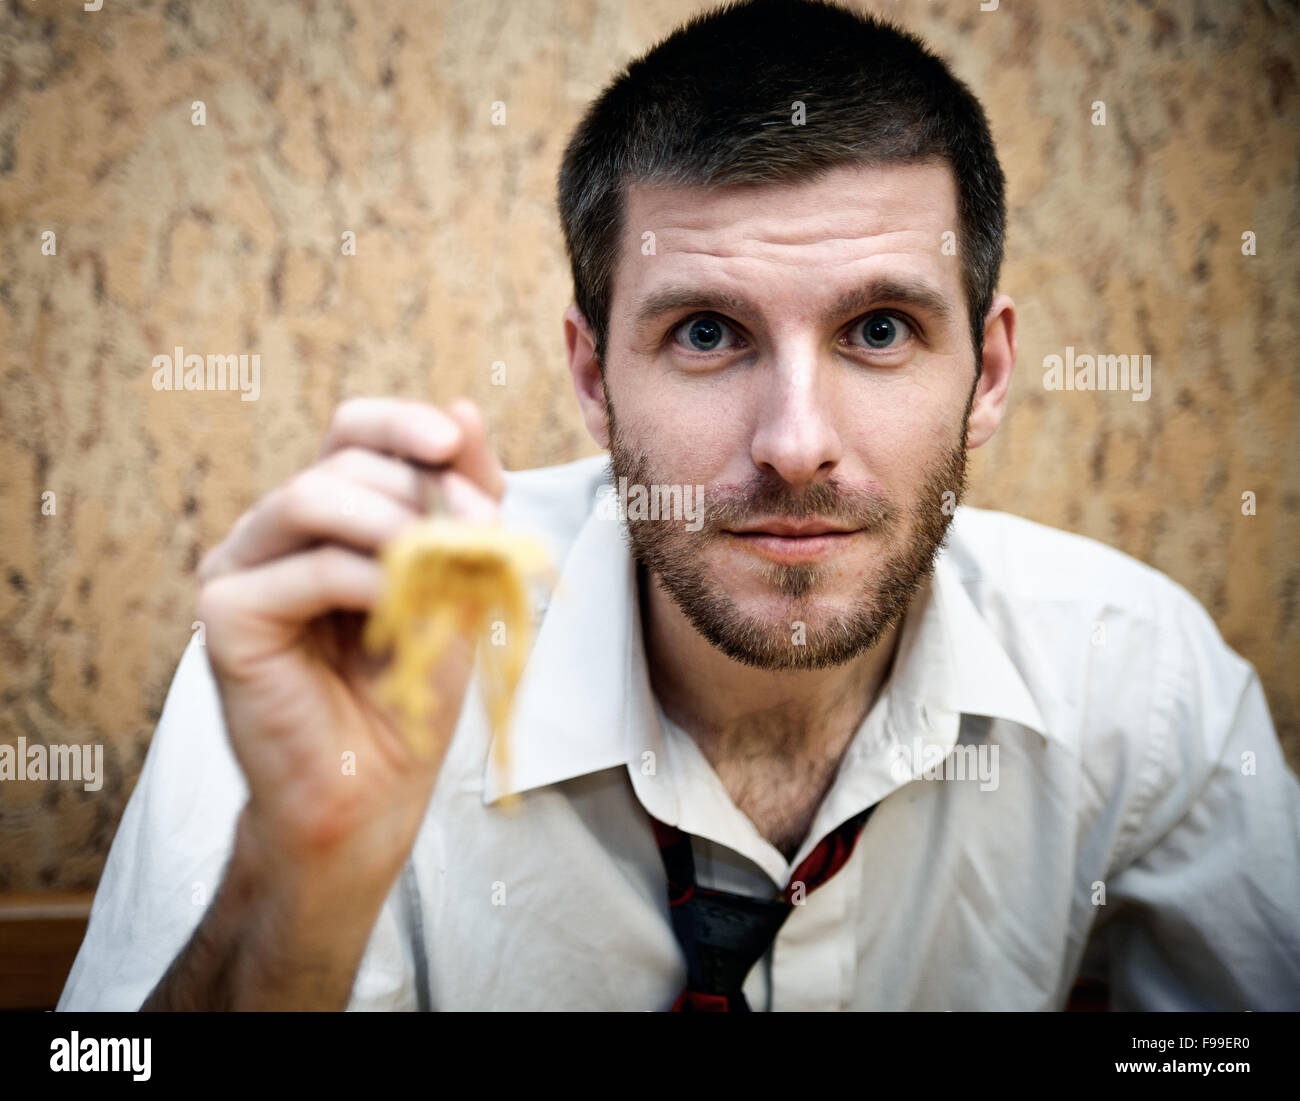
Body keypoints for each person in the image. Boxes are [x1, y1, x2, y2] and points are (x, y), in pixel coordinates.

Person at [59, 0, 1299, 1011]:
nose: (797, 445)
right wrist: (292, 892)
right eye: (707, 332)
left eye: (880, 329)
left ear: (987, 372)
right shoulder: (350, 661)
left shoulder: (1134, 672)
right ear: (593, 378)